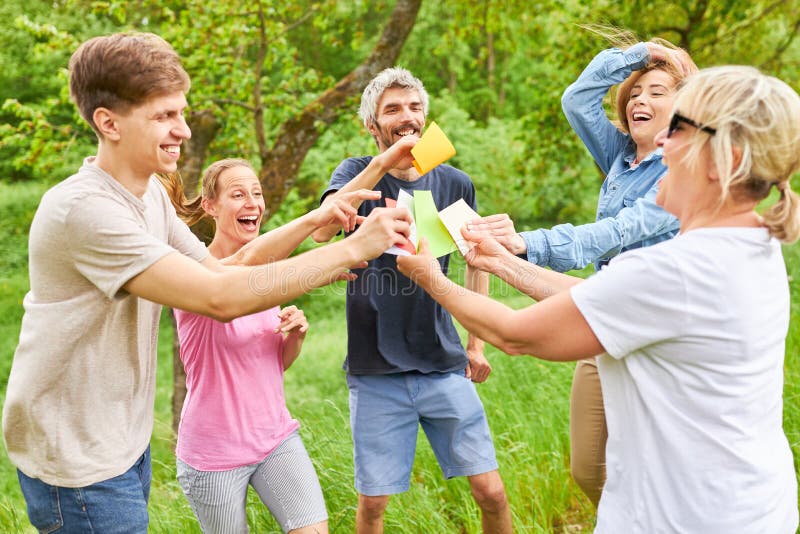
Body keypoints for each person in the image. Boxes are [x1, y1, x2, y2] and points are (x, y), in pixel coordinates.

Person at [1, 32, 411, 533]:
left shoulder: (149, 193)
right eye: (164, 116)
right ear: (107, 123)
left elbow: (224, 269)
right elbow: (218, 298)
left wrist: (316, 220)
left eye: (182, 112)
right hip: (76, 457)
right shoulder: (84, 211)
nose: (185, 130)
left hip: (121, 439)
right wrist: (349, 249)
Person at [398, 65, 800, 532]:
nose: (662, 145)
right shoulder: (753, 245)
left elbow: (516, 335)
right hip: (751, 508)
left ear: (723, 161)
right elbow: (601, 298)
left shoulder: (675, 270)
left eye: (679, 129)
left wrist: (432, 279)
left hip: (683, 519)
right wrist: (502, 263)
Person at [467, 37, 696, 505]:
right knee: (590, 467)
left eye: (656, 92)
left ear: (685, 109)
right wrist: (641, 52)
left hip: (654, 328)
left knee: (661, 462)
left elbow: (617, 231)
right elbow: (577, 98)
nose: (640, 100)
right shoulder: (618, 155)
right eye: (634, 93)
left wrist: (526, 243)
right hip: (603, 315)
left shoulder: (683, 174)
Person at [311, 67, 512, 533]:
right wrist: (382, 165)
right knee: (374, 506)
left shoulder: (452, 183)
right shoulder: (354, 176)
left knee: (492, 493)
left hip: (442, 362)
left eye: (415, 107)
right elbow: (322, 230)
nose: (407, 117)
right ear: (372, 126)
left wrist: (476, 344)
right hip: (376, 368)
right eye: (393, 109)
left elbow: (475, 258)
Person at [161, 159, 328, 533]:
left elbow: (271, 364)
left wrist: (294, 337)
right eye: (238, 194)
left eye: (257, 193)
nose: (252, 202)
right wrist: (318, 224)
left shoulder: (263, 276)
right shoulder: (192, 274)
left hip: (274, 437)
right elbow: (231, 283)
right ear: (210, 205)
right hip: (213, 452)